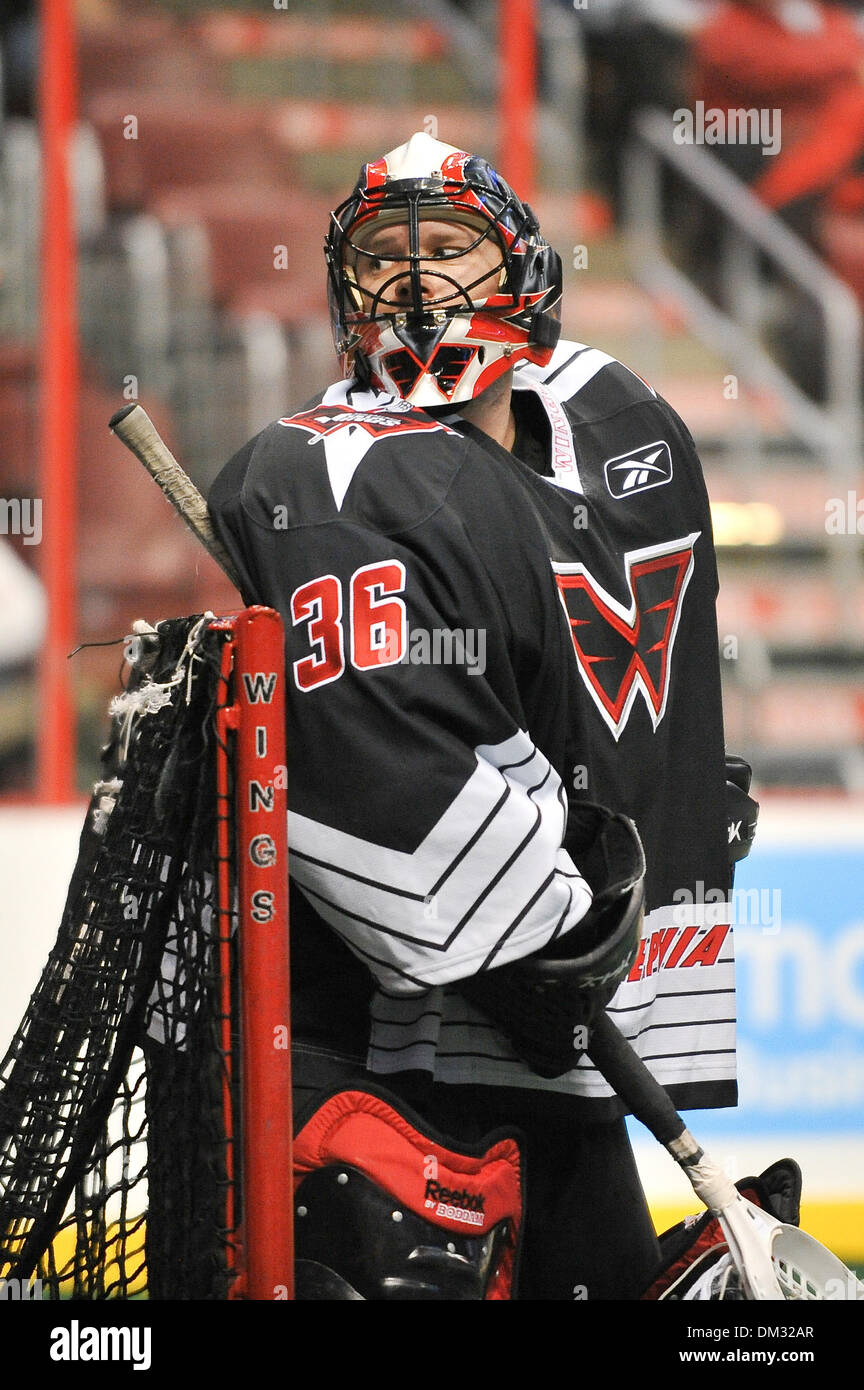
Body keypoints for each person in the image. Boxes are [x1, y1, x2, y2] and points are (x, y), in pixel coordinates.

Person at [208, 132, 737, 1301]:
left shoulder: (619, 428)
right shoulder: (322, 474)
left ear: (522, 277)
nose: (413, 282)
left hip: (577, 1072)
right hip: (381, 1056)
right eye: (382, 261)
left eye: (448, 249)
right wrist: (545, 924)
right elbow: (396, 810)